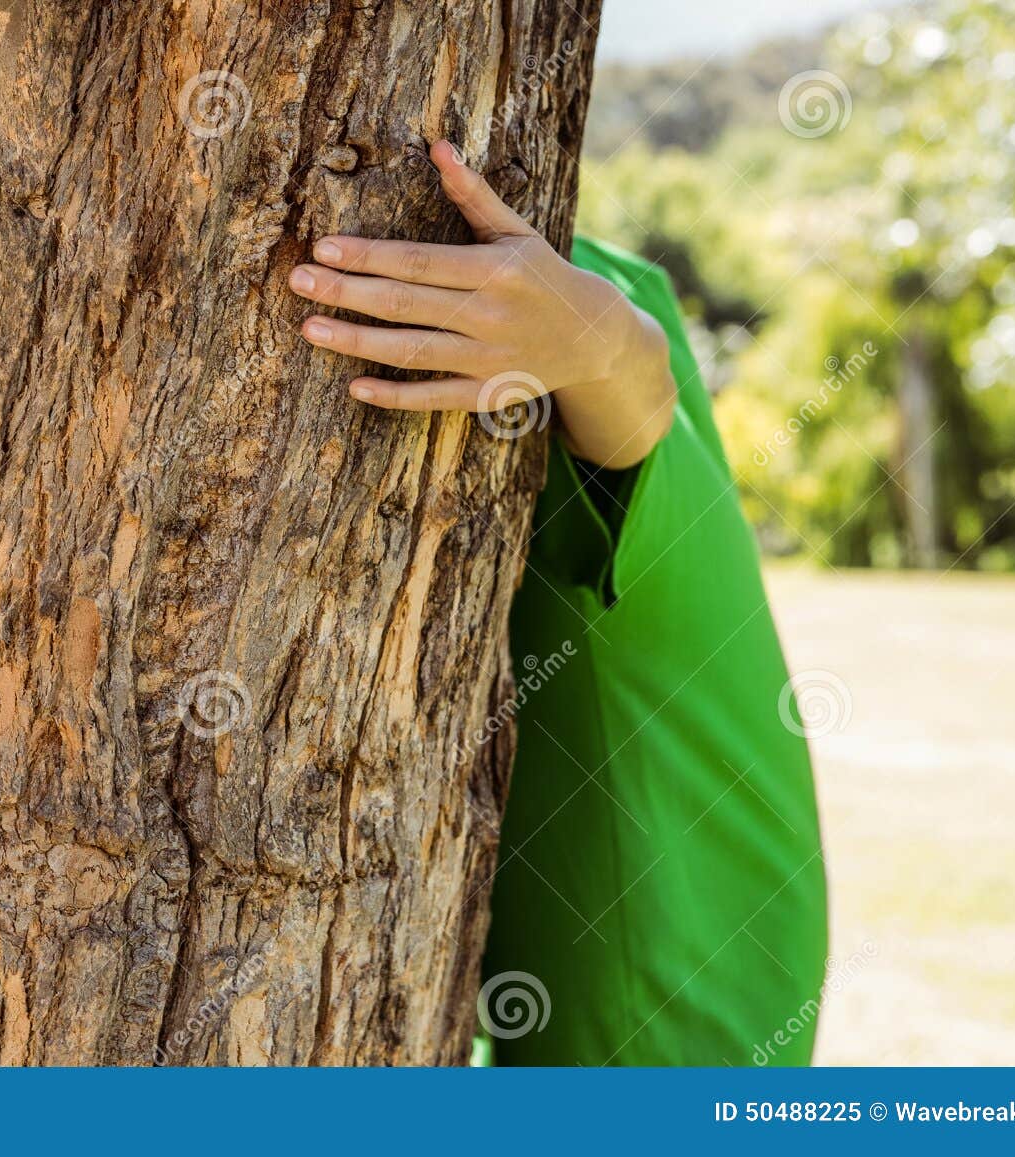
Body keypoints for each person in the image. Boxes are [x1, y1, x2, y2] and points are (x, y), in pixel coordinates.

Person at [288, 140, 828, 1066]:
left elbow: (631, 404)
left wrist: (594, 342)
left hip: (672, 985)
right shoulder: (574, 267)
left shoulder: (578, 281)